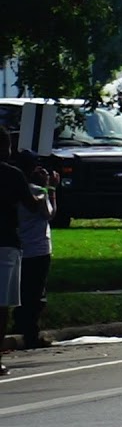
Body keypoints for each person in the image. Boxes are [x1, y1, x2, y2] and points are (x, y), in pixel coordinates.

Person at [0, 128, 52, 376]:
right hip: (6, 243)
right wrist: (45, 189)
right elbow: (33, 207)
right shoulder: (12, 175)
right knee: (2, 305)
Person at [12, 150, 55, 349]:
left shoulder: (11, 189)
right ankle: (31, 334)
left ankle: (16, 325)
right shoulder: (38, 190)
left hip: (17, 245)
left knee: (18, 291)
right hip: (38, 248)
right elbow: (48, 213)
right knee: (36, 293)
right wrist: (51, 188)